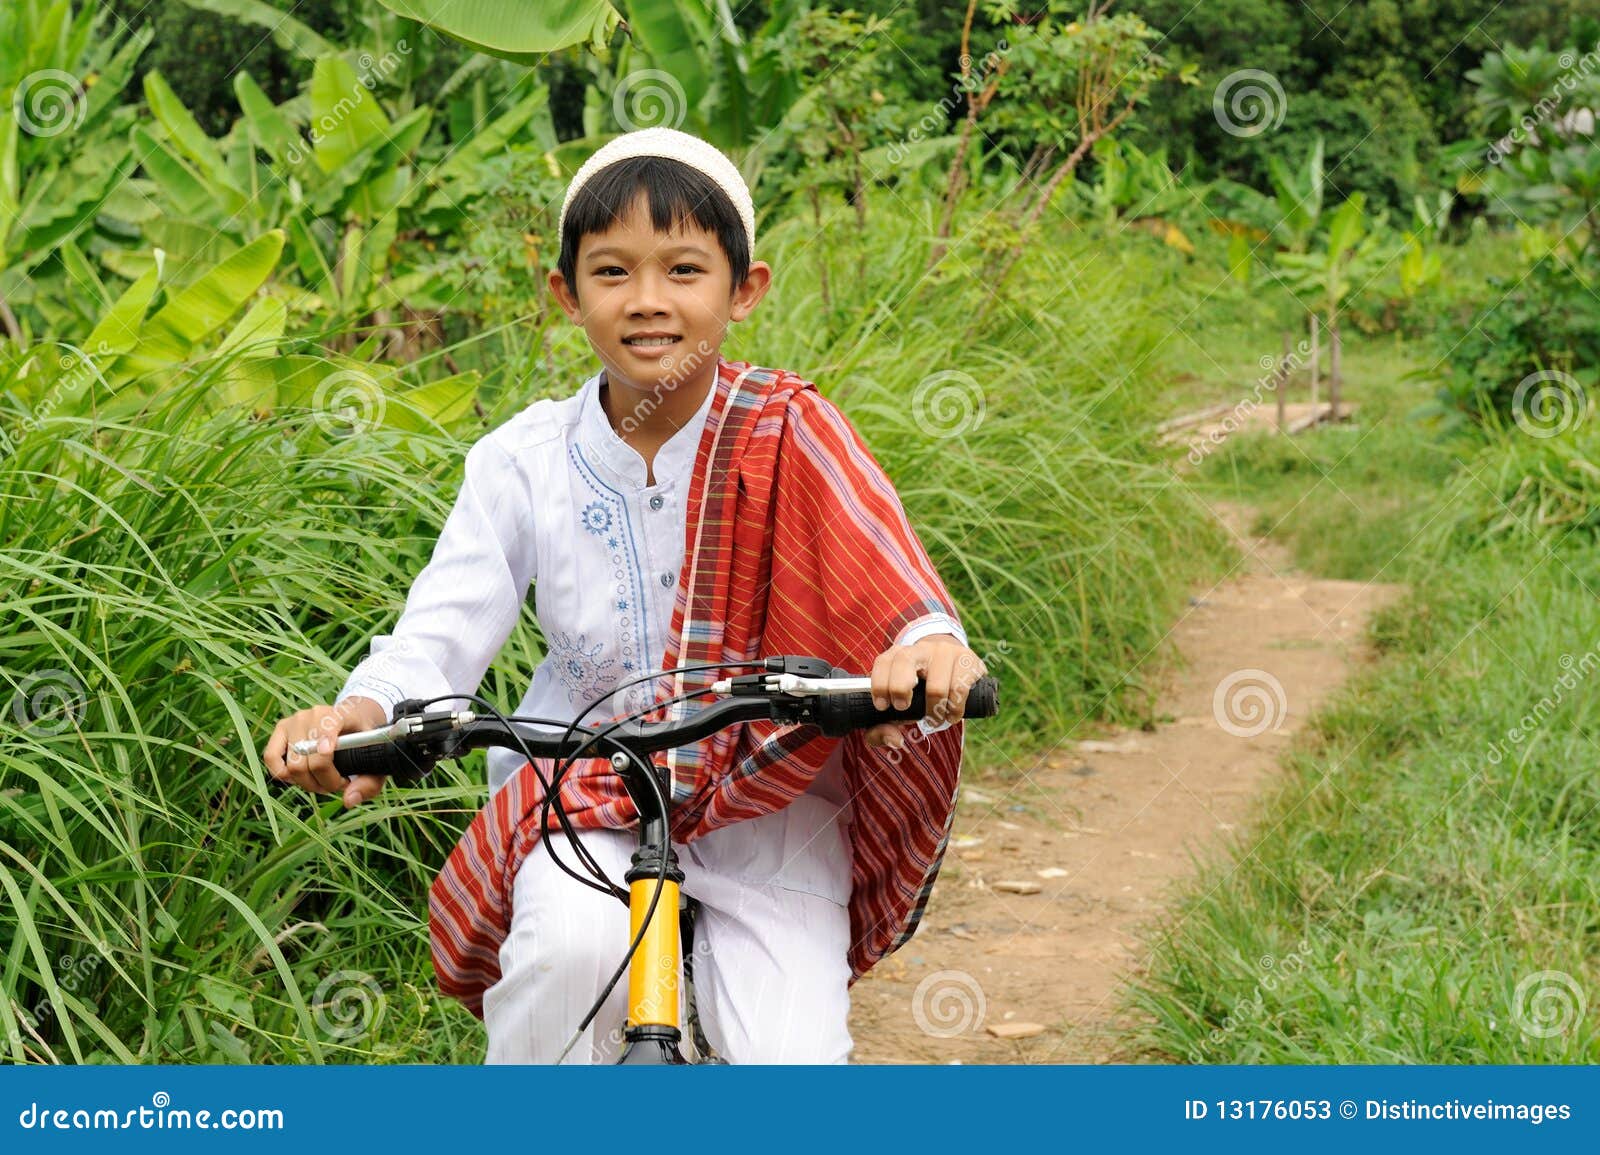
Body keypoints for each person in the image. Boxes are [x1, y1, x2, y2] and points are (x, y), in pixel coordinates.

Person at [262, 127, 988, 1064]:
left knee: (789, 1056)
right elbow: (437, 637)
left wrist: (928, 647)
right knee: (565, 961)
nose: (648, 300)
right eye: (612, 272)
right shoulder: (522, 460)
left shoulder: (792, 429)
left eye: (684, 269)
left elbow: (883, 569)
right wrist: (362, 713)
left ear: (744, 289)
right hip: (581, 791)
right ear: (567, 294)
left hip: (768, 801)